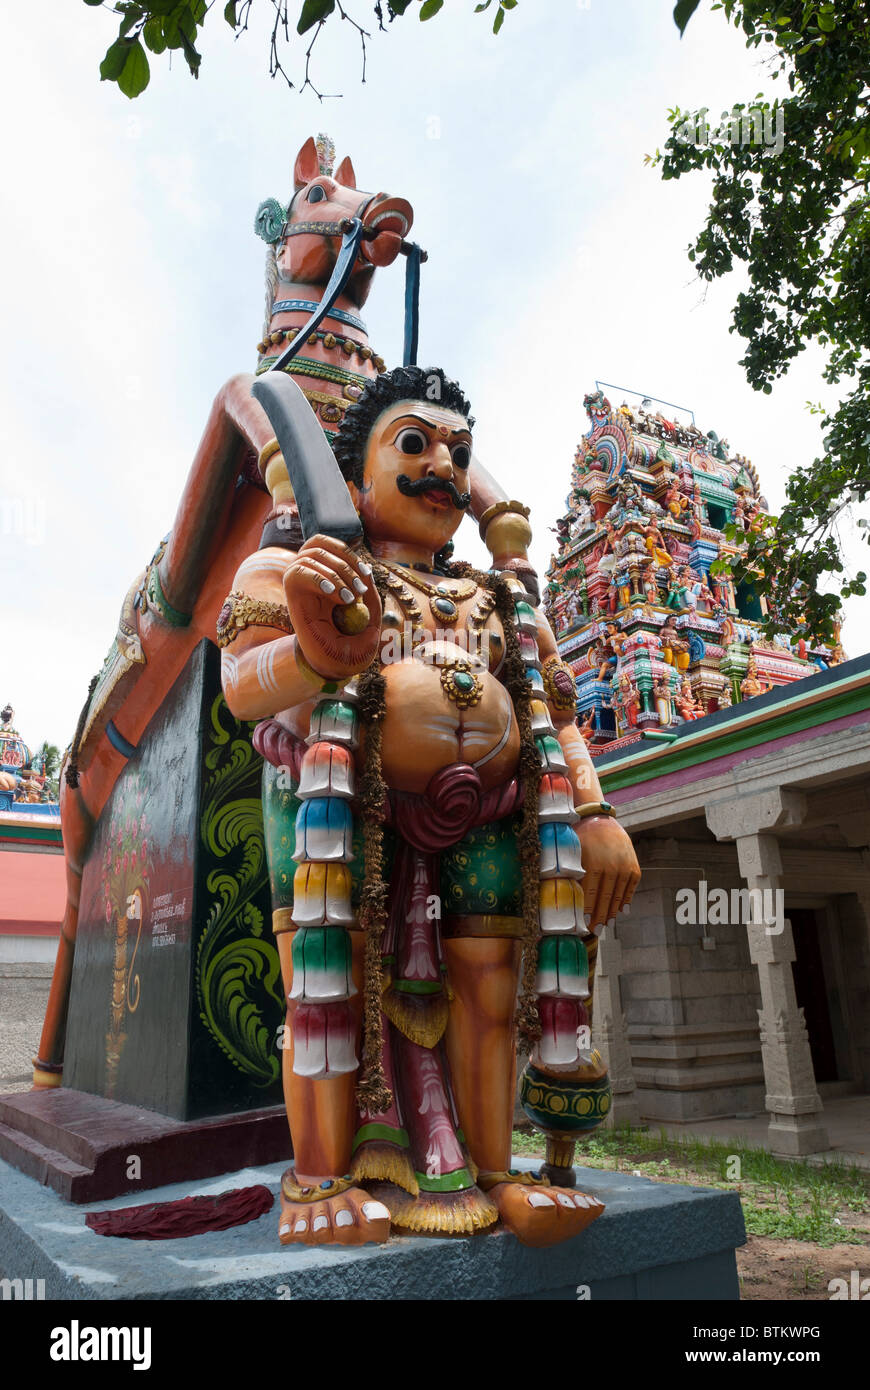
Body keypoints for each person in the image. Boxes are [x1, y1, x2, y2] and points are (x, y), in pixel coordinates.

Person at [219, 366, 640, 1248]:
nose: (442, 467)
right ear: (356, 475)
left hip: (490, 807)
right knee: (330, 979)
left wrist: (596, 813)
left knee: (488, 986)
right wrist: (316, 653)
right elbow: (243, 687)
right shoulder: (299, 564)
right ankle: (322, 1179)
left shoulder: (500, 598)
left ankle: (491, 1170)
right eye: (415, 444)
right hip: (333, 797)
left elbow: (556, 712)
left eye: (459, 452)